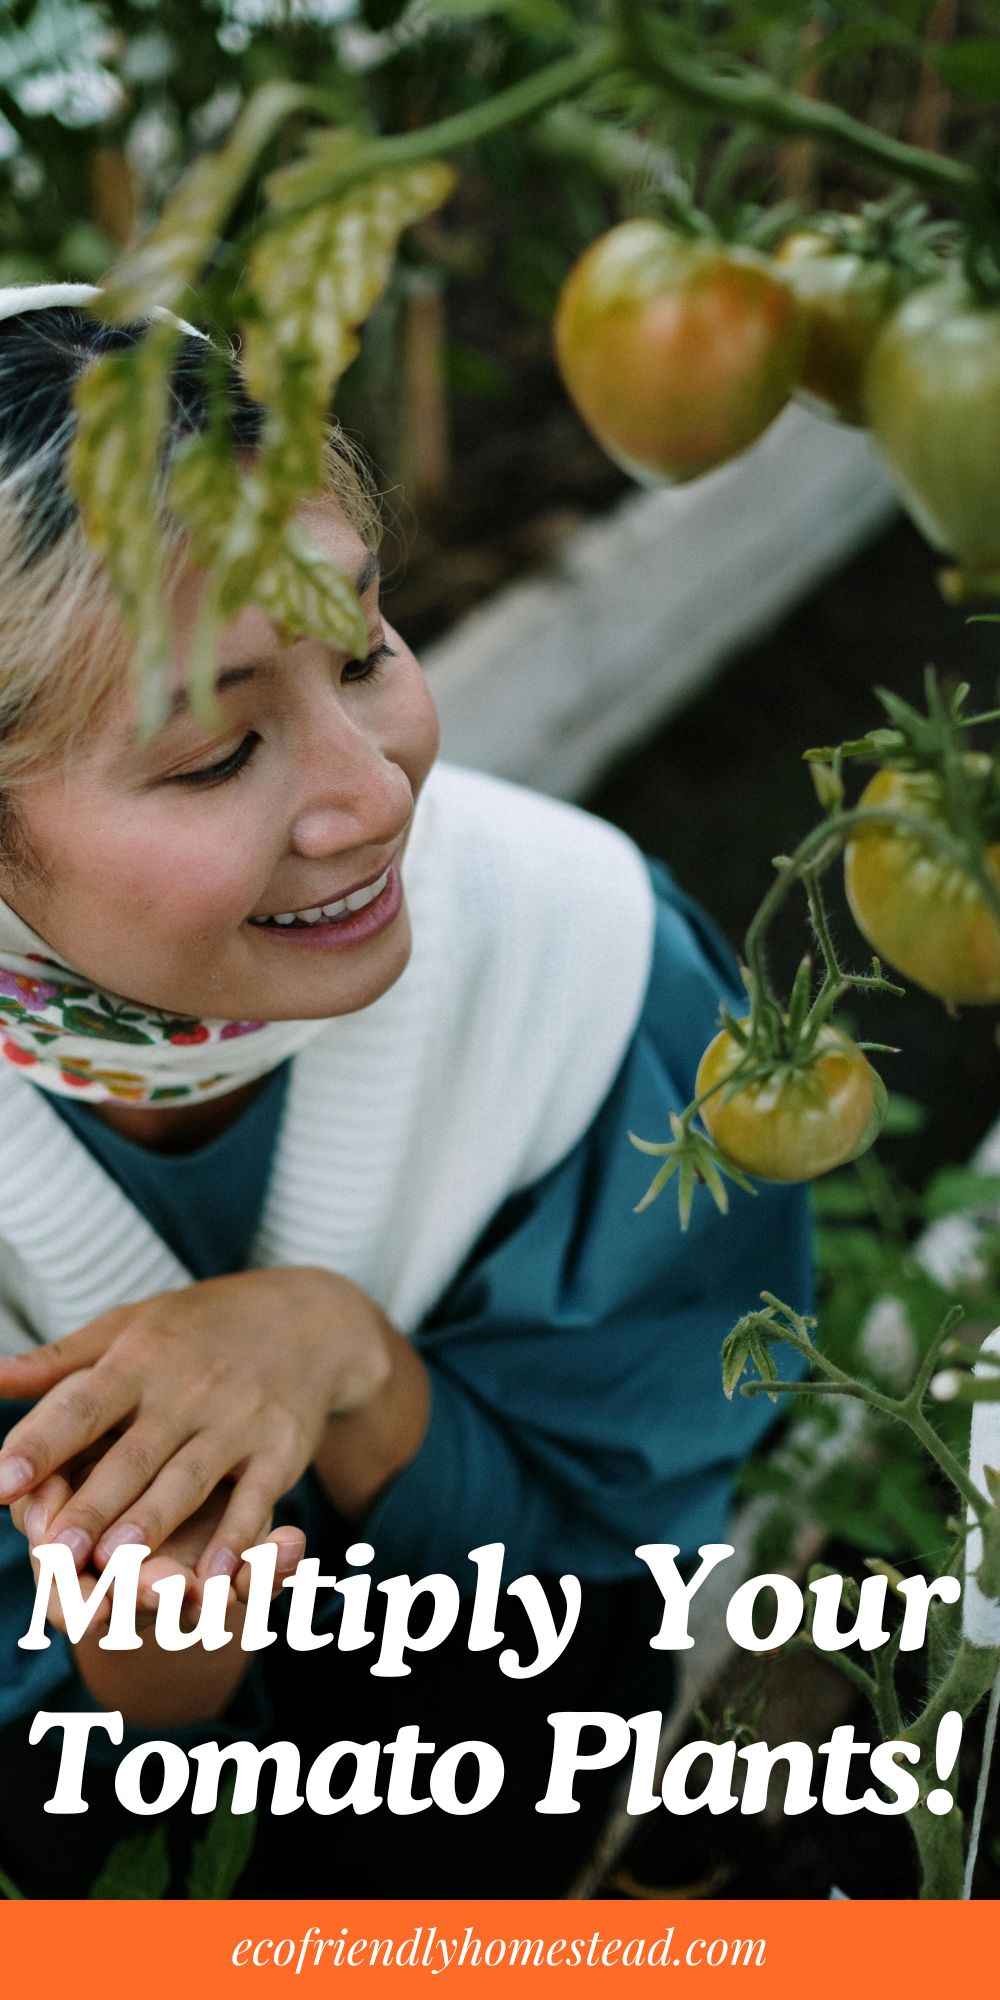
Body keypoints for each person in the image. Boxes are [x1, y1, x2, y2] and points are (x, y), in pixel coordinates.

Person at [0, 286, 812, 1899]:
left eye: (365, 648)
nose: (376, 797)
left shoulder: (590, 984)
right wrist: (146, 1663)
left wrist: (350, 1364)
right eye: (218, 755)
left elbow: (596, 1627)